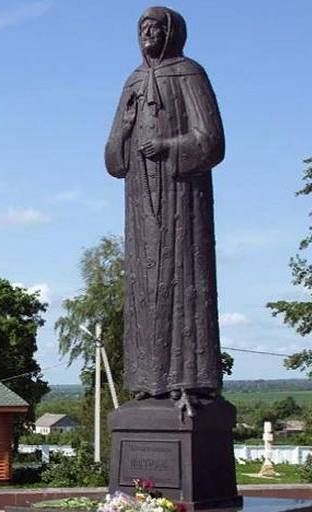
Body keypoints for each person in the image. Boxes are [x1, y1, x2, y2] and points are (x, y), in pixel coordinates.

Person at [105, 6, 225, 413]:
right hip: (141, 203)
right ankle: (146, 380)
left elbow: (211, 140)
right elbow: (112, 161)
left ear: (172, 32)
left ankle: (189, 380)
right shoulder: (133, 81)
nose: (148, 34)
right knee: (143, 286)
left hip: (181, 201)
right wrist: (124, 127)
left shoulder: (189, 73)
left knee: (183, 278)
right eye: (142, 28)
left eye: (156, 27)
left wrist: (170, 146)